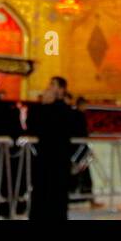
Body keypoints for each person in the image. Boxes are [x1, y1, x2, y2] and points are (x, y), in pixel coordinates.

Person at [26, 76, 76, 221]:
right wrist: (43, 104)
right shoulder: (43, 107)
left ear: (61, 90)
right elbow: (32, 126)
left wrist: (48, 106)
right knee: (40, 198)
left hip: (59, 164)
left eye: (53, 84)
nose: (48, 87)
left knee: (56, 201)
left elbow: (60, 127)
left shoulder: (65, 110)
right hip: (43, 161)